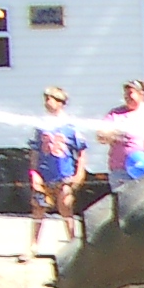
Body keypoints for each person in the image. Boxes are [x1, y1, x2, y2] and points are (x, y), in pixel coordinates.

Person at [27, 86, 87, 260]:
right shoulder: (41, 126)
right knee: (38, 209)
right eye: (46, 98)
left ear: (61, 103)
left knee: (66, 208)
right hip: (44, 176)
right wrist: (34, 173)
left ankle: (74, 246)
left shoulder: (70, 126)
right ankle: (33, 246)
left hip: (64, 176)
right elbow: (35, 152)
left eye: (51, 98)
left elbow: (81, 151)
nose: (47, 102)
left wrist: (79, 172)